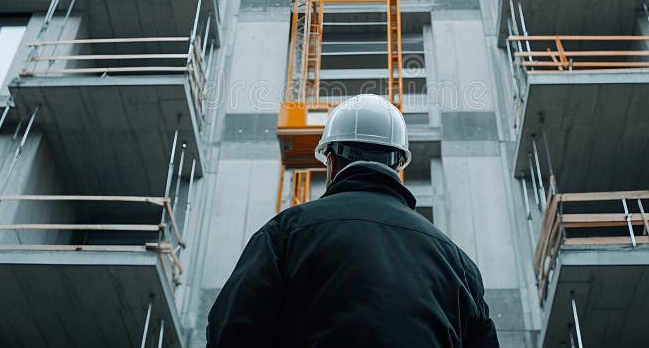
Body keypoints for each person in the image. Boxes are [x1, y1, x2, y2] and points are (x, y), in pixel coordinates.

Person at [207, 94, 499, 347]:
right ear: (398, 165)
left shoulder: (286, 234)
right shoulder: (457, 264)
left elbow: (231, 332)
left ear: (331, 162)